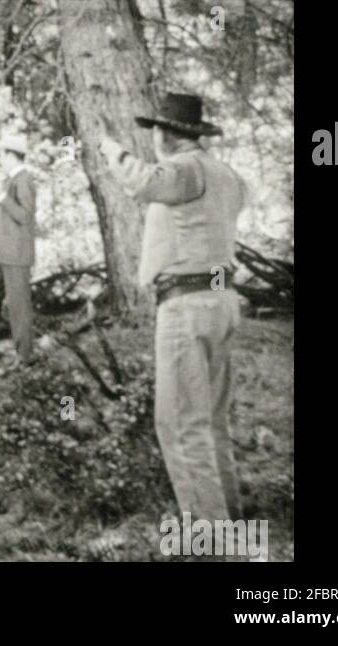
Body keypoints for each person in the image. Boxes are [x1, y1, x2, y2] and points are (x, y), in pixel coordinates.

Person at [99, 93, 248, 532]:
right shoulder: (227, 174)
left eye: (156, 133)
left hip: (187, 304)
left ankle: (213, 540)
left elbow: (143, 181)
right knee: (211, 423)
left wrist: (111, 149)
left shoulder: (186, 169)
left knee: (181, 426)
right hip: (221, 300)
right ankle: (230, 521)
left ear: (166, 135)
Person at [0, 133, 37, 371]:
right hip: (2, 255)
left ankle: (24, 356)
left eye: (2, 155)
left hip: (16, 255)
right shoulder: (9, 180)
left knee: (18, 306)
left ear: (13, 155)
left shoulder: (24, 179)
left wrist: (3, 198)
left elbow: (25, 215)